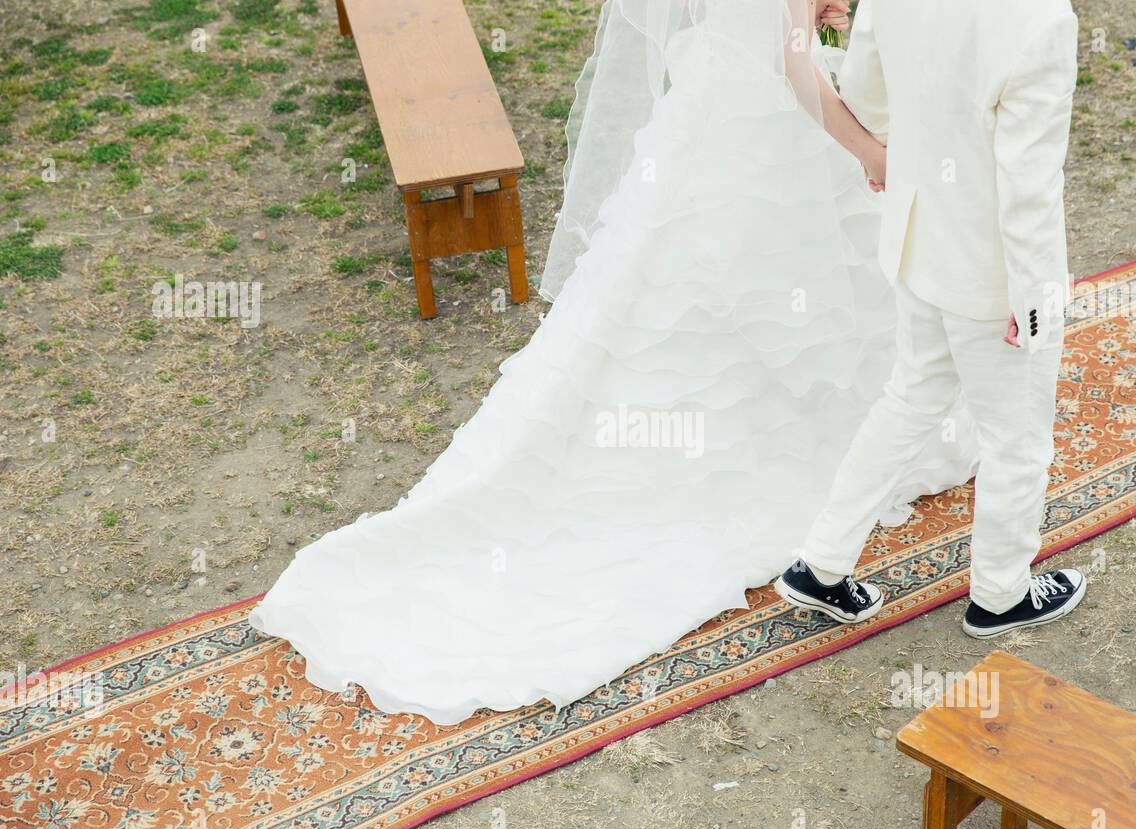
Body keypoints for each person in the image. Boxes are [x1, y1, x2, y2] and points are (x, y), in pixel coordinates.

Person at [249, 0, 977, 725]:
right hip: (764, 126)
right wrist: (871, 152)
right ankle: (805, 446)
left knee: (676, 300)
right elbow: (792, 64)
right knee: (755, 305)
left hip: (706, 110)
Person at [776, 0, 1088, 638]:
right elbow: (1029, 180)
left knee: (910, 397)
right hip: (989, 272)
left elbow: (868, 99)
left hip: (919, 241)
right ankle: (1001, 593)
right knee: (1017, 438)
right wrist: (1032, 292)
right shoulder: (1042, 21)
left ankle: (823, 562)